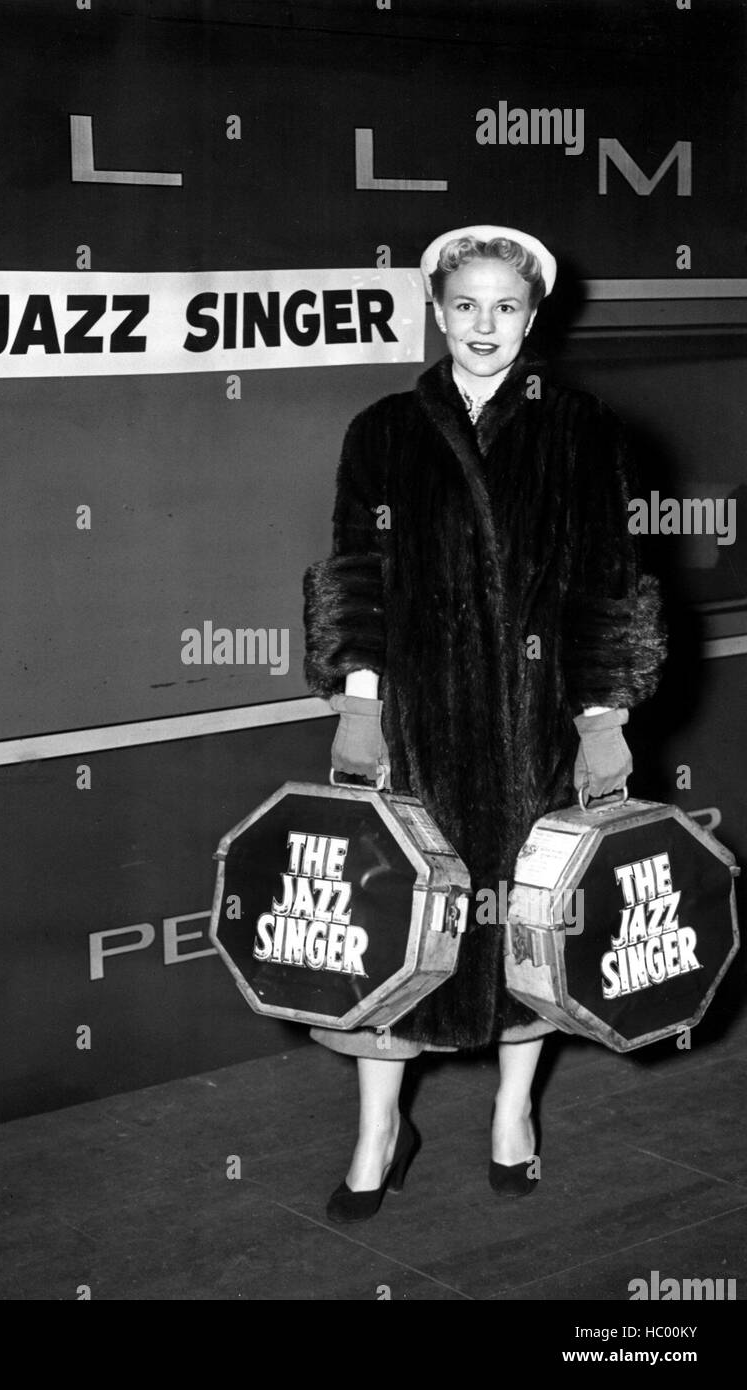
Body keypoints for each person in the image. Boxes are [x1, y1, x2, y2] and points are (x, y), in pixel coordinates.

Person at [302, 224, 667, 1220]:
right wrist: (360, 707)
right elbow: (353, 579)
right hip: (418, 727)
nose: (483, 324)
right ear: (435, 308)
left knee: (530, 927)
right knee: (394, 929)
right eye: (465, 303)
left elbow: (607, 585)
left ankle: (514, 1110)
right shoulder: (381, 431)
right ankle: (379, 1126)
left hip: (538, 729)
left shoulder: (582, 430)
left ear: (533, 315)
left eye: (505, 305)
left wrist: (602, 718)